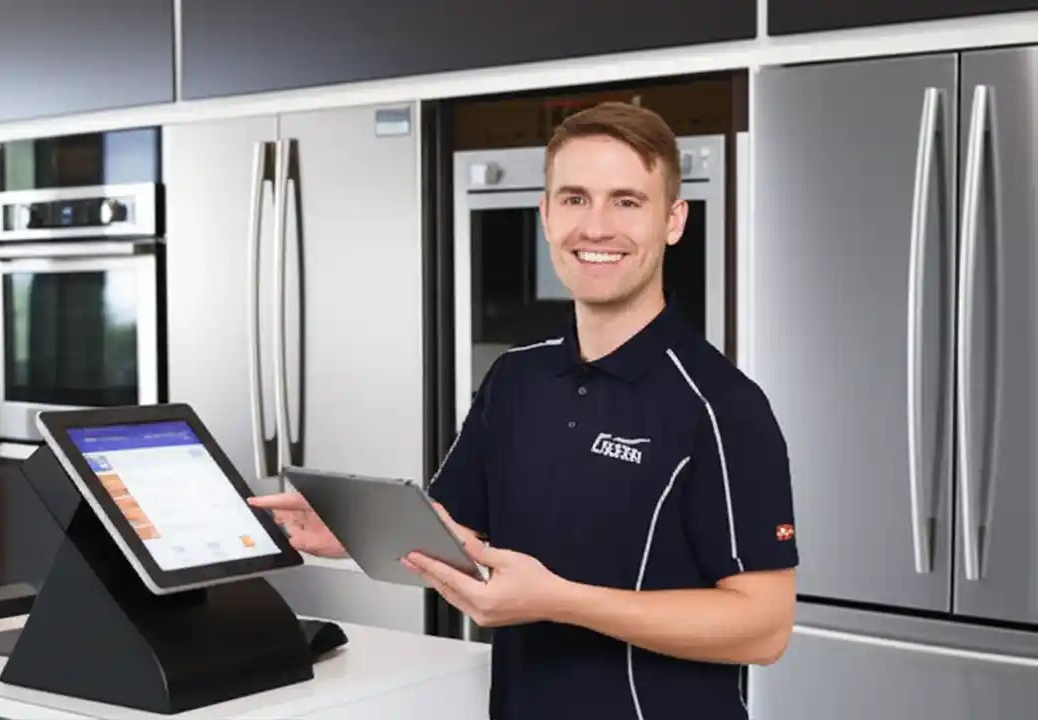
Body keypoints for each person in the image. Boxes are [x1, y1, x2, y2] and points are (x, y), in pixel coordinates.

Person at [249, 101, 798, 720]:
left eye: (626, 201)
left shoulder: (721, 405)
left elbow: (764, 626)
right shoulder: (517, 378)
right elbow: (461, 534)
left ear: (673, 220)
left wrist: (560, 600)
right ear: (544, 214)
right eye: (573, 199)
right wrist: (355, 529)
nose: (595, 227)